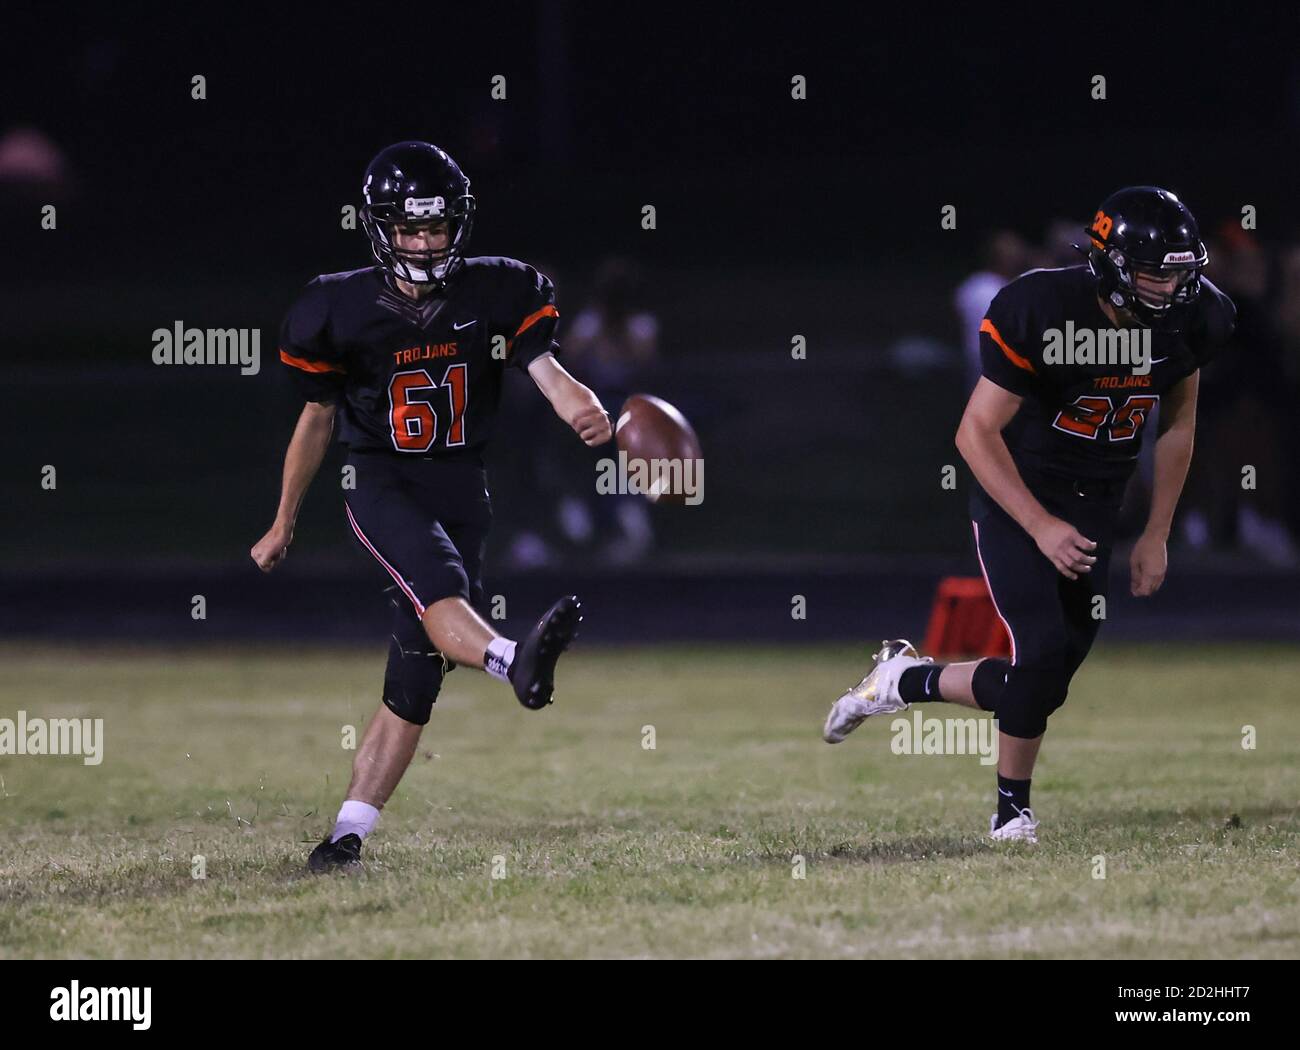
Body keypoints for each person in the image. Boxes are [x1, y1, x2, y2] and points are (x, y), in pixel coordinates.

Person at [824, 187, 1236, 843]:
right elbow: (975, 433)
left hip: (1097, 504)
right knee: (1040, 653)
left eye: (1183, 272)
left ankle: (902, 679)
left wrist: (1157, 531)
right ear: (1112, 267)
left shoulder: (1194, 318)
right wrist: (1040, 525)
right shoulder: (1043, 308)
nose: (1173, 288)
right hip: (1019, 493)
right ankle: (1011, 812)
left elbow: (1179, 424)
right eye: (1158, 273)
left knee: (1041, 684)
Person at [250, 141, 613, 871]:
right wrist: (285, 515)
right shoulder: (337, 306)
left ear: (459, 224)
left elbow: (546, 368)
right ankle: (514, 658)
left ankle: (346, 836)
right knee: (440, 588)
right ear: (381, 230)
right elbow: (318, 415)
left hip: (461, 486)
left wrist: (585, 405)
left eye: (435, 228)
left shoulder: (498, 289)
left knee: (416, 675)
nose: (422, 244)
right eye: (408, 230)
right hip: (380, 480)